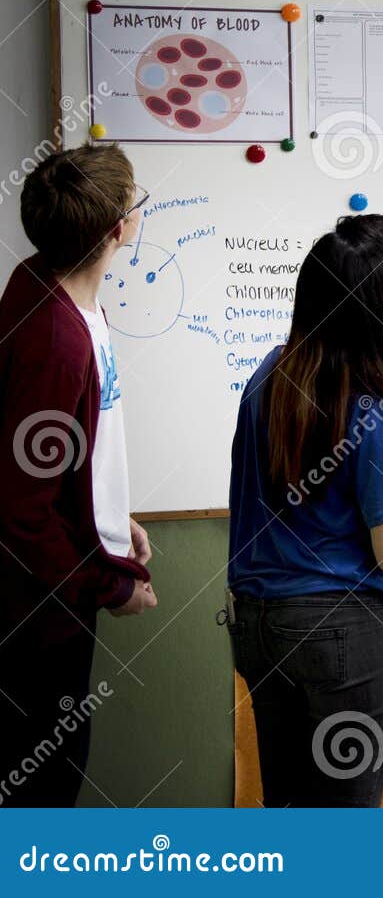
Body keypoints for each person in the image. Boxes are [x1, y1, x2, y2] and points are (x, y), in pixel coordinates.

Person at [226, 213, 383, 807]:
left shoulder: (268, 376)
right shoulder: (377, 405)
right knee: (344, 816)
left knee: (289, 811)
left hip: (262, 626)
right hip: (344, 637)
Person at [0, 143, 155, 807]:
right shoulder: (55, 342)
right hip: (38, 618)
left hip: (57, 592)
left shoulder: (44, 285)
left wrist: (114, 521)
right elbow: (20, 510)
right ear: (119, 229)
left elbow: (62, 459)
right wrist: (107, 585)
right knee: (43, 787)